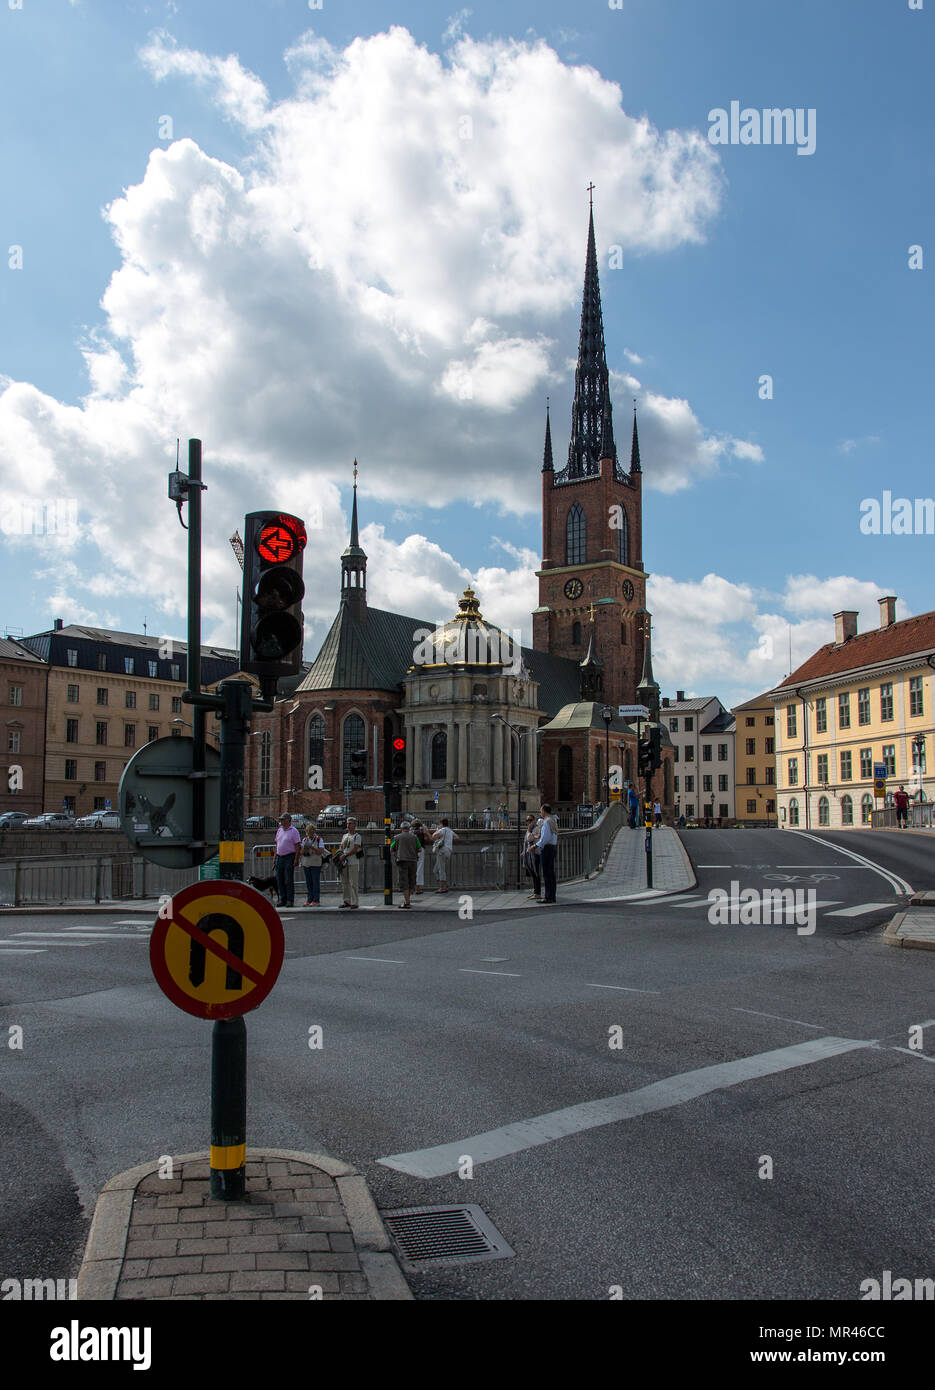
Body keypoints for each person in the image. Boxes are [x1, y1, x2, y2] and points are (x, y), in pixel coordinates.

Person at [274, 813, 300, 908]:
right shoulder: (279, 830)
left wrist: (296, 859)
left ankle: (290, 900)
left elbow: (297, 846)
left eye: (283, 819)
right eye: (281, 819)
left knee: (288, 879)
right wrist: (274, 858)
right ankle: (282, 899)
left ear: (288, 820)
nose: (281, 821)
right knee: (279, 879)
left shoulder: (294, 831)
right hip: (279, 857)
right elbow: (277, 845)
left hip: (289, 857)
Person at [392, 821, 420, 908]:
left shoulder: (397, 837)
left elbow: (391, 848)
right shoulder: (414, 837)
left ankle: (407, 902)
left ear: (401, 828)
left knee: (404, 881)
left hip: (402, 861)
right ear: (409, 828)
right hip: (413, 861)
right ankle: (408, 899)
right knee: (411, 879)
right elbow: (419, 849)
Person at [536, 803, 558, 905]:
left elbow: (545, 838)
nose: (540, 813)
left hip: (547, 848)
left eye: (541, 811)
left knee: (546, 873)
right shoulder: (553, 820)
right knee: (551, 873)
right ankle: (552, 896)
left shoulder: (546, 822)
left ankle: (548, 897)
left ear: (544, 811)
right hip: (552, 848)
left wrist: (535, 845)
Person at [338, 816, 363, 908]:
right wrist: (340, 854)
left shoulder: (357, 836)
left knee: (353, 883)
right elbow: (341, 847)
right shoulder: (345, 836)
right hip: (344, 862)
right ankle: (346, 900)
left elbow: (355, 849)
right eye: (347, 823)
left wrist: (345, 855)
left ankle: (355, 902)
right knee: (345, 882)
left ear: (354, 825)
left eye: (350, 823)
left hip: (353, 861)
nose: (348, 825)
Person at [298, 825, 326, 906]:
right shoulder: (304, 840)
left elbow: (320, 852)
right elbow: (301, 852)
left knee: (315, 882)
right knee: (308, 882)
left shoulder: (319, 839)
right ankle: (309, 899)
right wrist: (304, 848)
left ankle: (316, 900)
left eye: (311, 833)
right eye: (308, 833)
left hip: (316, 863)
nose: (309, 835)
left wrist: (312, 847)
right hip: (306, 863)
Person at [431, 817, 460, 892]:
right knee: (435, 870)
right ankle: (444, 885)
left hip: (442, 851)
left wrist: (437, 830)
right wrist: (448, 839)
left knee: (441, 870)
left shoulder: (442, 830)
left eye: (440, 824)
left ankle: (442, 888)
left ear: (441, 824)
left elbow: (433, 836)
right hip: (448, 851)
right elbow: (457, 837)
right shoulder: (450, 830)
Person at [523, 814, 542, 900]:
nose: (528, 822)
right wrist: (524, 852)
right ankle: (535, 892)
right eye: (527, 820)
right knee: (533, 873)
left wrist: (529, 830)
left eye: (530, 820)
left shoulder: (535, 828)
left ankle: (537, 893)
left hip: (535, 853)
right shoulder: (530, 829)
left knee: (535, 873)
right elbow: (526, 841)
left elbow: (529, 839)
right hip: (530, 852)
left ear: (534, 820)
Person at [412, 820, 426, 894]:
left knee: (412, 868)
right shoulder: (421, 831)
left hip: (412, 850)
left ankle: (412, 887)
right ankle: (417, 888)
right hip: (420, 850)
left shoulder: (411, 832)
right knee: (419, 868)